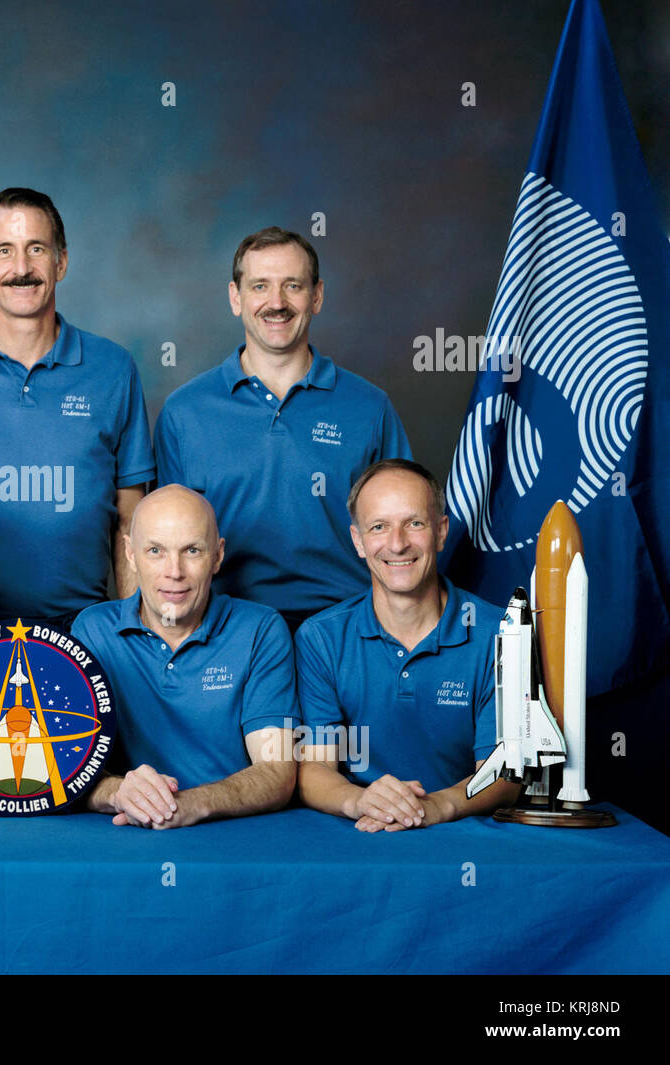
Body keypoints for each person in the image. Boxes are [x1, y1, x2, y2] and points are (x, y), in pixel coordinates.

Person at [0, 188, 154, 628]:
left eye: (37, 249)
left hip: (84, 626)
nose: (21, 269)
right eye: (4, 251)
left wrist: (130, 632)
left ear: (62, 261)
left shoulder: (114, 370)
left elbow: (131, 521)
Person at [154, 226, 411, 632]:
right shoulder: (184, 412)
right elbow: (164, 541)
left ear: (317, 296)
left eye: (292, 286)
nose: (277, 303)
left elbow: (407, 529)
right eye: (260, 286)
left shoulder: (369, 407)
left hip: (347, 627)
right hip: (224, 631)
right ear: (236, 298)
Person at [295, 459, 519, 831]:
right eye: (379, 527)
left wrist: (436, 807)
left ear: (442, 531)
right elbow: (315, 768)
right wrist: (359, 800)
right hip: (361, 835)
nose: (397, 544)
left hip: (466, 835)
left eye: (414, 523)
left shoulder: (501, 634)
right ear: (358, 542)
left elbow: (503, 776)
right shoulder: (321, 639)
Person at [72, 484, 298, 829]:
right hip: (122, 834)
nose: (173, 571)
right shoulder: (92, 630)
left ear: (218, 556)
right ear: (130, 554)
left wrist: (192, 804)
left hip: (231, 834)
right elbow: (65, 763)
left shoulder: (261, 630)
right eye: (155, 551)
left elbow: (277, 771)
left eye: (192, 550)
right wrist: (117, 792)